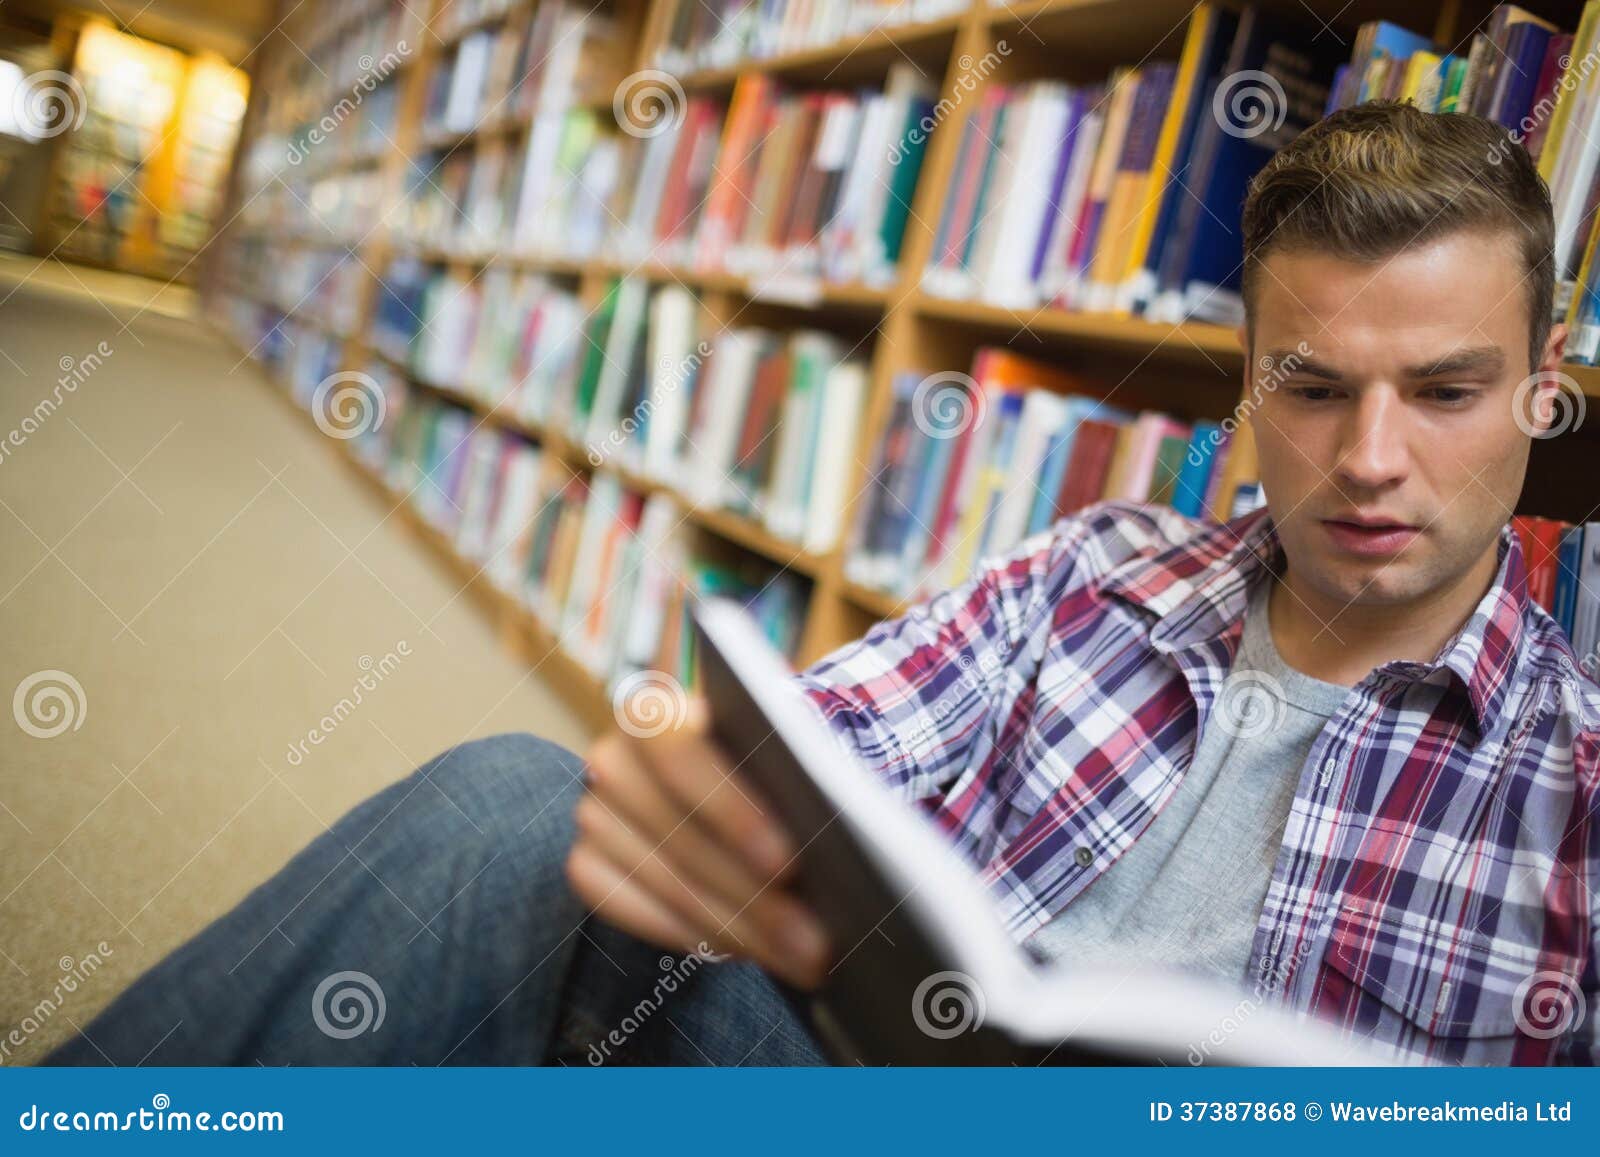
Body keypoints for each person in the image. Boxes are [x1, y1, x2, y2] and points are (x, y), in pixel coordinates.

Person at [46, 101, 1600, 1067]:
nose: (1370, 458)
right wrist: (696, 796)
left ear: (1546, 386)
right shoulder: (1096, 575)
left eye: (1447, 393)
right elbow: (820, 752)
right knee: (523, 805)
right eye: (1312, 389)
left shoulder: (1580, 798)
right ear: (1250, 384)